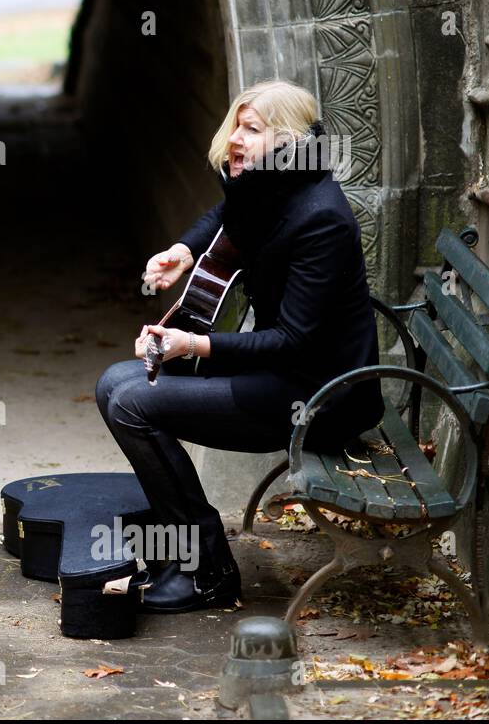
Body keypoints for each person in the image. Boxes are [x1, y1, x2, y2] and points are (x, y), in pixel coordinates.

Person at [94, 79, 385, 613]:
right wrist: (184, 250)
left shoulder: (320, 219)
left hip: (317, 396)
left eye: (252, 129)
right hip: (280, 375)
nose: (235, 139)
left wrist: (193, 344)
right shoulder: (269, 186)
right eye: (236, 125)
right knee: (112, 382)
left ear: (290, 140)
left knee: (133, 405)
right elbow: (225, 216)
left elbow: (293, 341)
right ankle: (175, 547)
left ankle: (207, 572)